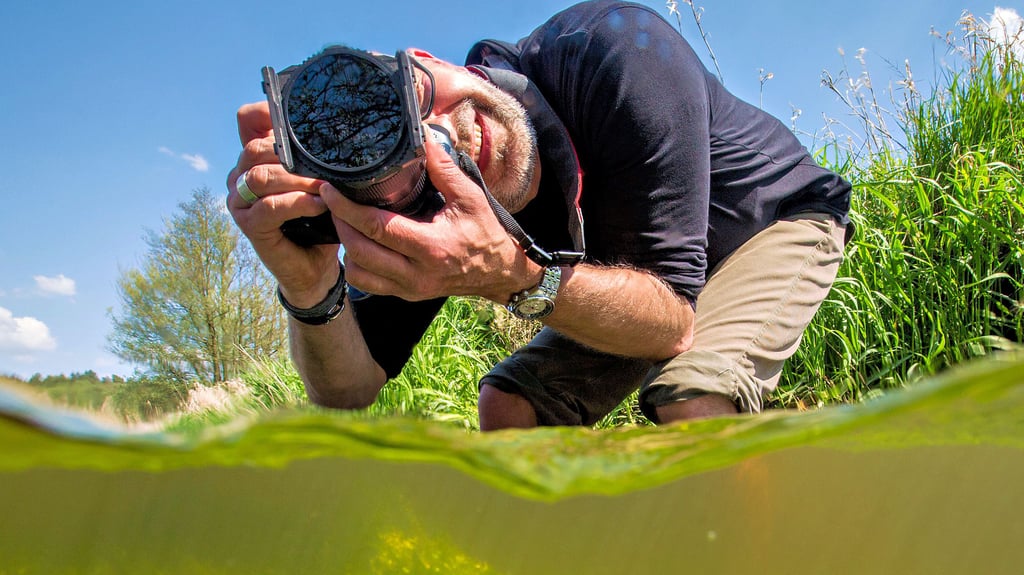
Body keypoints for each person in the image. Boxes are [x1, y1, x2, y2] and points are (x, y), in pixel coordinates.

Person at [226, 0, 851, 430]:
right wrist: (308, 287)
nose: (451, 137)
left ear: (425, 60)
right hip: (650, 279)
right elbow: (347, 389)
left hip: (772, 221)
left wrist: (512, 275)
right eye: (412, 170)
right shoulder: (425, 222)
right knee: (510, 407)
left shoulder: (617, 52)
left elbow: (672, 326)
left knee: (692, 395)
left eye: (411, 100)